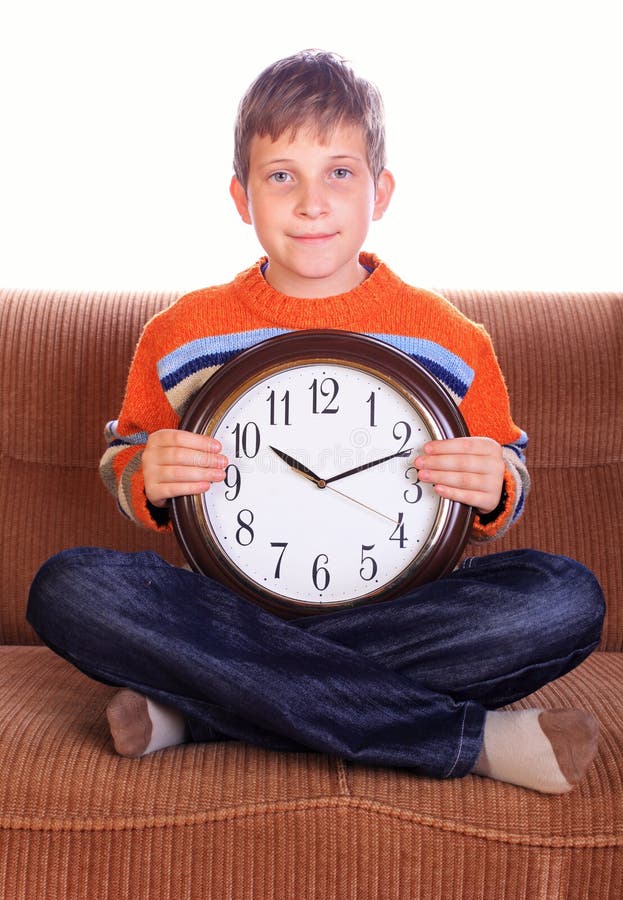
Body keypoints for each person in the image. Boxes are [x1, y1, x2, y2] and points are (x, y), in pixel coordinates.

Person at [27, 50, 604, 794]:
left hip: (400, 615)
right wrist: (145, 473)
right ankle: (468, 740)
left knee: (562, 597)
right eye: (280, 176)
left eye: (339, 171)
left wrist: (496, 481)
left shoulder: (451, 341)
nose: (311, 201)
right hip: (227, 607)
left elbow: (507, 471)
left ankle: (204, 708)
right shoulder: (180, 335)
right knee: (69, 587)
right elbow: (126, 452)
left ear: (380, 190)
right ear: (241, 197)